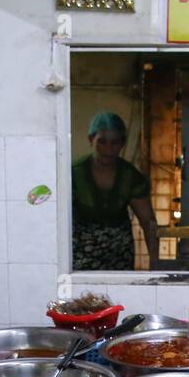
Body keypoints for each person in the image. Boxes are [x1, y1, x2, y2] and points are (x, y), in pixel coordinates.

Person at [71, 111, 159, 270]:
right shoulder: (74, 173)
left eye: (115, 142)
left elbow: (148, 221)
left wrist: (155, 261)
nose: (108, 149)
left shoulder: (130, 176)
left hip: (119, 253)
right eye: (102, 142)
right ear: (91, 140)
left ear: (122, 143)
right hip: (81, 252)